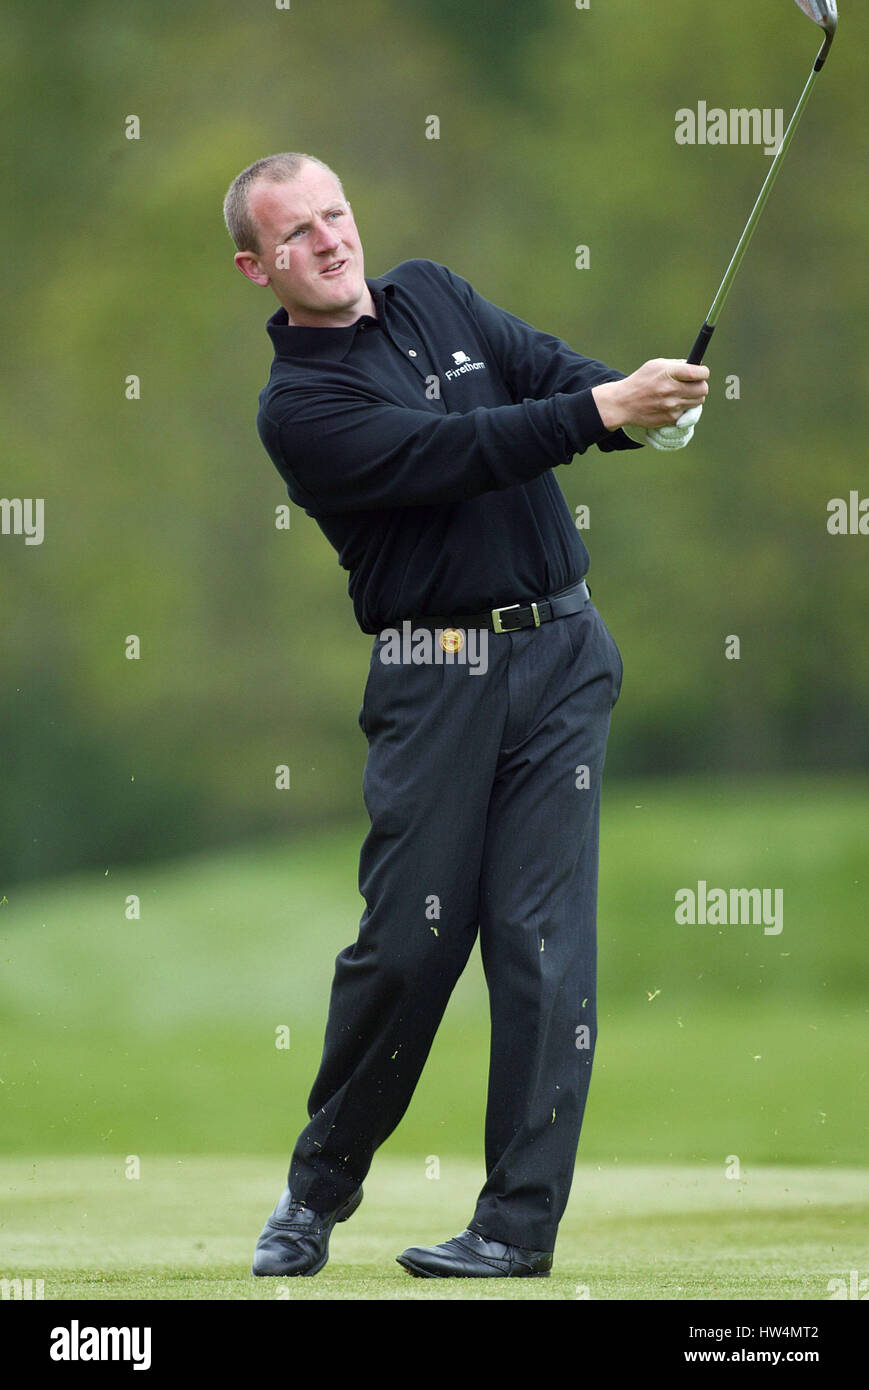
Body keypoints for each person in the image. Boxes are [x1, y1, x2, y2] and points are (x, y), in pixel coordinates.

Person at [223, 152, 709, 1279]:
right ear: (257, 268)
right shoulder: (297, 406)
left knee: (541, 950)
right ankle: (318, 1188)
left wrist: (647, 411)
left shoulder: (433, 291)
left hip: (563, 654)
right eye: (297, 233)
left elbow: (545, 373)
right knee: (408, 945)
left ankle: (513, 1228)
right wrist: (600, 411)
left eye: (336, 212)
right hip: (431, 669)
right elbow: (459, 453)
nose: (331, 240)